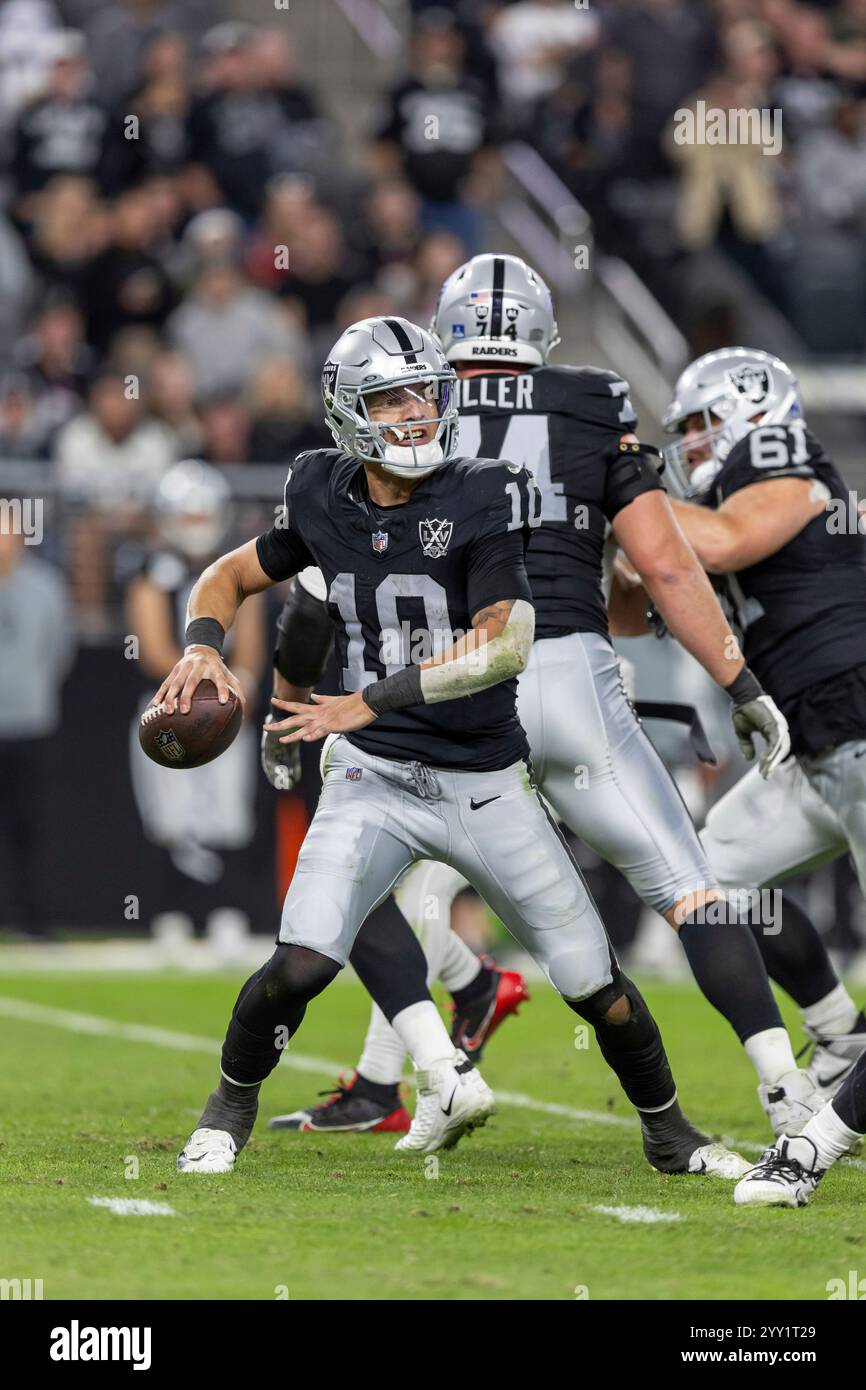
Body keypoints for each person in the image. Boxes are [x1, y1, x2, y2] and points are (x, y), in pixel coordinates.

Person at [157, 314, 746, 1178]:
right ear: (347, 411)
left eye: (424, 393)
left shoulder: (484, 489)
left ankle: (670, 1132)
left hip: (484, 779)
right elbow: (231, 574)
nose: (414, 413)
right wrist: (203, 642)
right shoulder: (321, 488)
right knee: (299, 964)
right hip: (374, 776)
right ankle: (225, 1111)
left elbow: (505, 643)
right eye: (390, 397)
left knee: (598, 987)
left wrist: (369, 698)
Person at [273, 257, 821, 1142]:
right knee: (689, 894)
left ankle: (421, 1072)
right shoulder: (590, 401)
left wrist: (294, 688)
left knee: (376, 881)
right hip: (567, 668)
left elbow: (316, 578)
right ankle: (783, 1086)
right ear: (542, 329)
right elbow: (670, 564)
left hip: (450, 674)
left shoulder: (410, 400)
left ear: (446, 331)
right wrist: (740, 682)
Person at [651, 346, 866, 1101]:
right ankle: (841, 1033)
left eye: (705, 424)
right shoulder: (724, 502)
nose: (692, 445)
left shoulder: (782, 457)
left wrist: (623, 500)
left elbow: (725, 541)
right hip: (816, 744)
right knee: (709, 881)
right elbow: (649, 592)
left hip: (859, 725)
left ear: (752, 413)